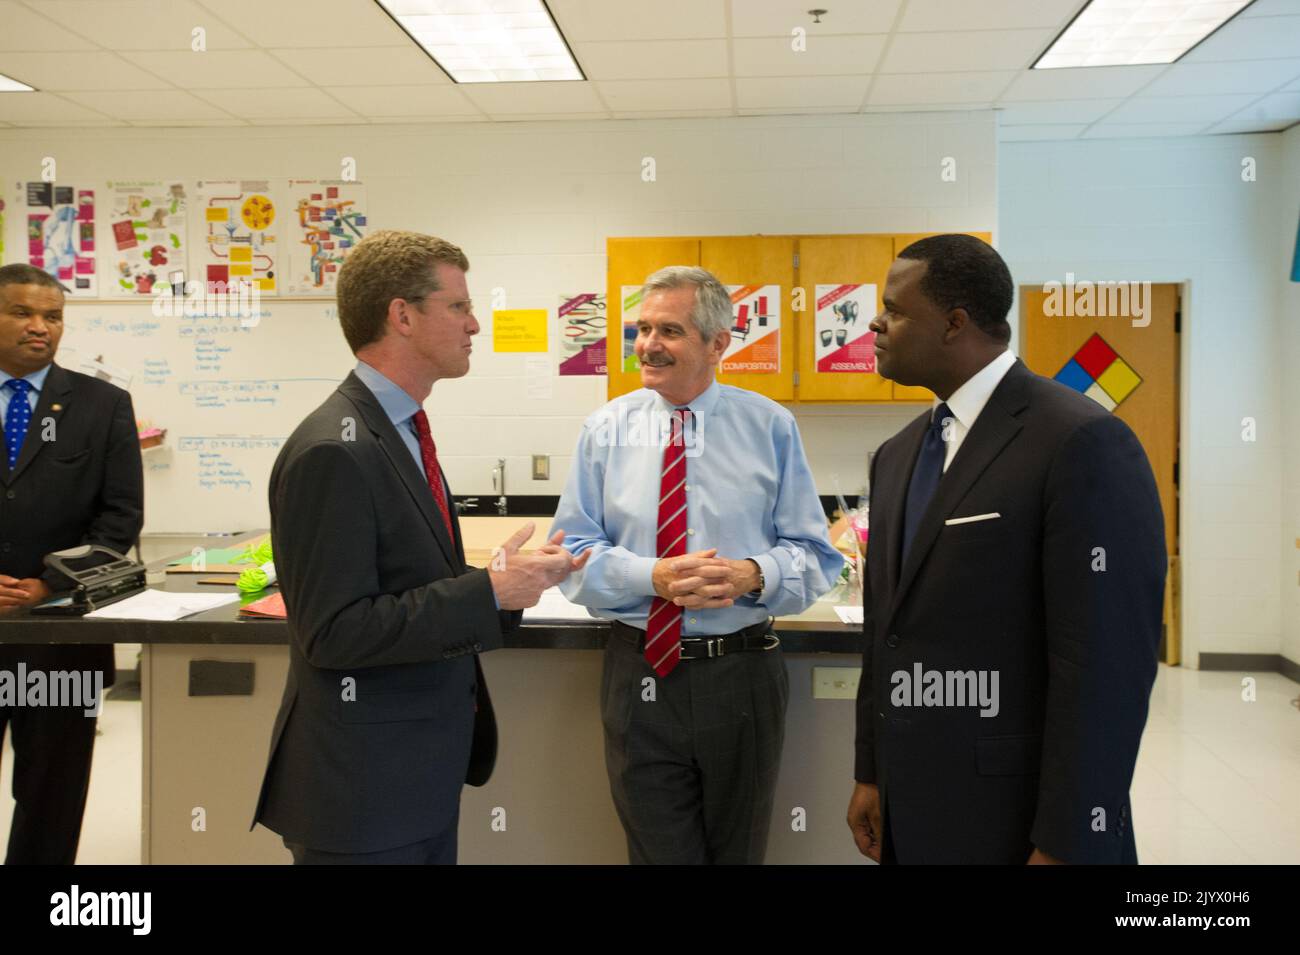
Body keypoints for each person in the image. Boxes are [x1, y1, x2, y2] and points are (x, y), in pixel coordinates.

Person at [252, 230, 587, 864]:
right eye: (459, 307)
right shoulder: (335, 449)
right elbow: (336, 630)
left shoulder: (396, 429)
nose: (476, 325)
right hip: (363, 794)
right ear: (402, 315)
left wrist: (504, 582)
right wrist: (486, 591)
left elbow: (407, 577)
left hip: (413, 780)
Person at [846, 234, 1165, 864]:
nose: (875, 324)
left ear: (955, 323)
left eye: (896, 310)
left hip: (1018, 819)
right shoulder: (898, 455)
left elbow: (1107, 666)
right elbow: (887, 632)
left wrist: (1071, 838)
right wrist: (872, 770)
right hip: (913, 807)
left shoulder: (1080, 441)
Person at [553, 266, 842, 864]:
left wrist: (752, 575)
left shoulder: (769, 427)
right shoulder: (605, 430)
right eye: (641, 329)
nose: (648, 345)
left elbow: (817, 557)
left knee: (737, 854)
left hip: (740, 676)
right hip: (640, 674)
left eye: (670, 330)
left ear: (717, 344)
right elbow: (572, 557)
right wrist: (650, 577)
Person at [0, 263, 144, 864]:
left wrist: (44, 585)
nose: (40, 327)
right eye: (23, 313)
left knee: (53, 797)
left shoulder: (102, 406)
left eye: (53, 316)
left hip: (63, 637)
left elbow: (118, 522)